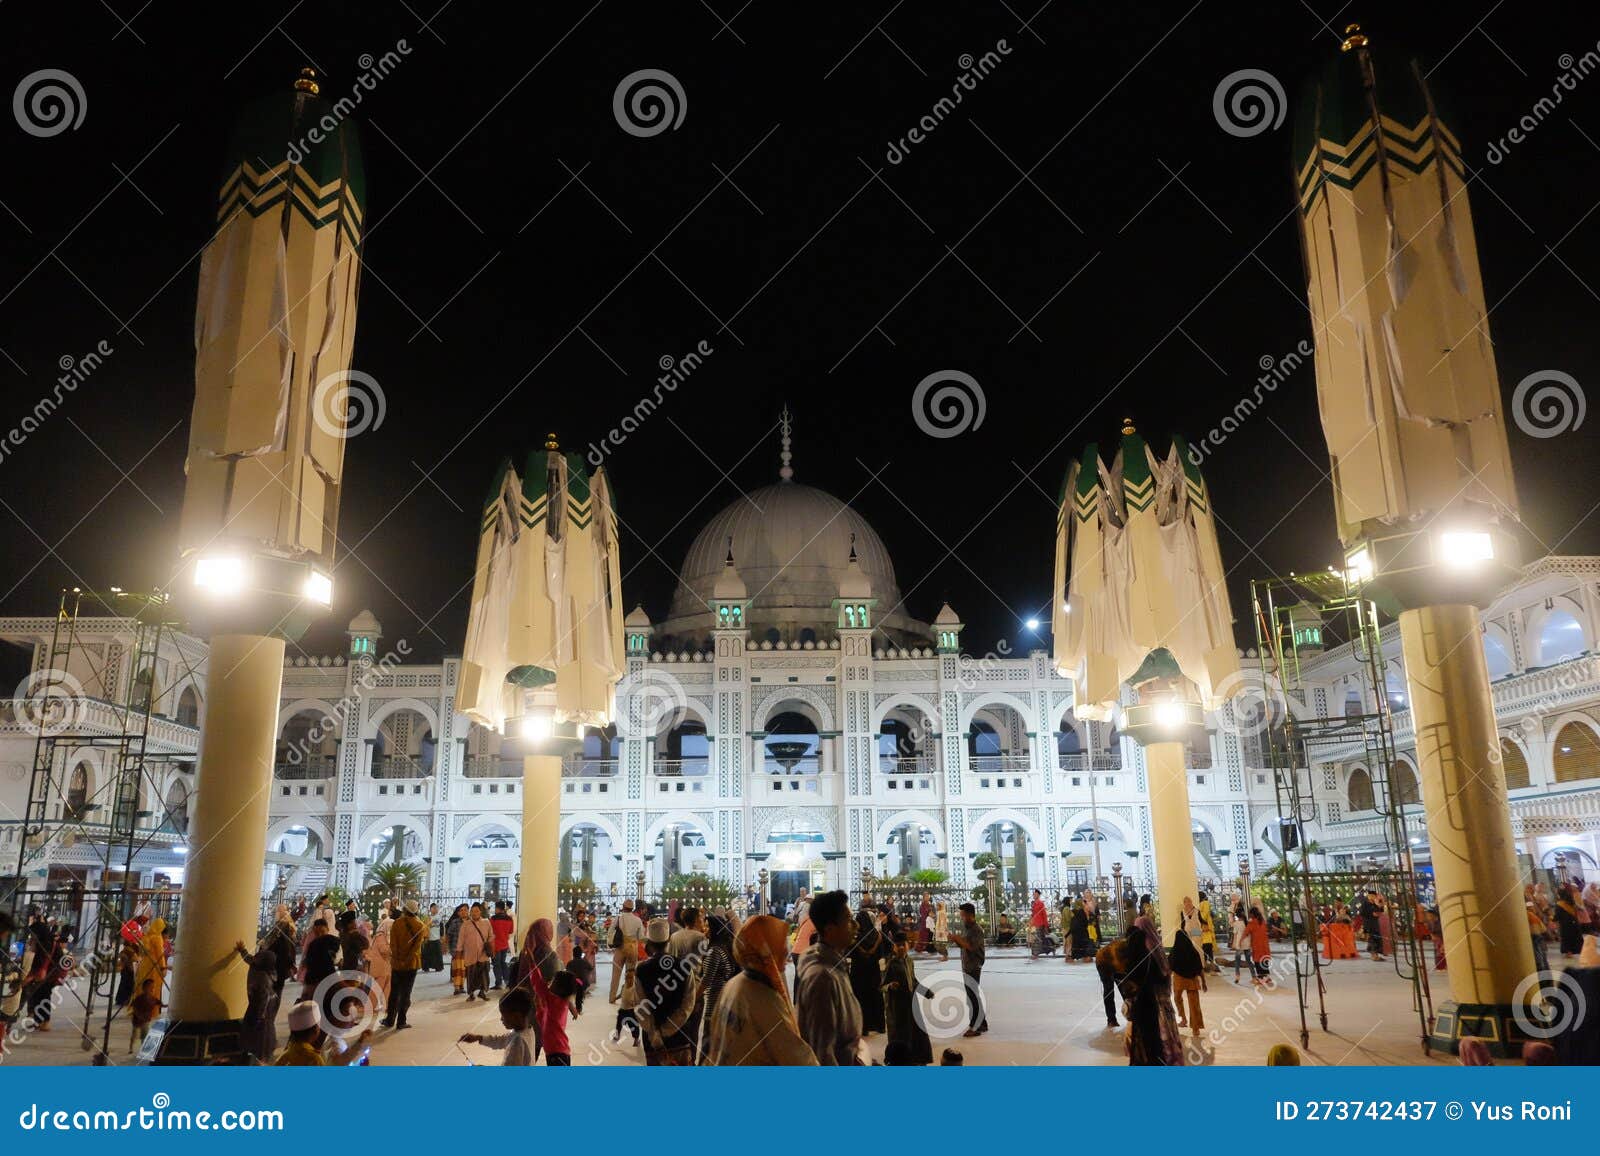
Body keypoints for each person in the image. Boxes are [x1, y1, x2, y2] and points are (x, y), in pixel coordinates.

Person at [704, 914, 817, 1066]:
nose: (785, 953)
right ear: (768, 952)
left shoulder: (733, 985)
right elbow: (797, 1057)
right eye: (780, 946)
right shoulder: (764, 999)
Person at [795, 890, 864, 1064]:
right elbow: (822, 1050)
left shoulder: (835, 965)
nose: (856, 926)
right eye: (848, 920)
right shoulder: (822, 978)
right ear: (830, 929)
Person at [635, 918, 701, 1065]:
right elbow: (688, 1004)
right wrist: (667, 1030)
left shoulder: (641, 969)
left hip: (652, 1040)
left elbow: (640, 1006)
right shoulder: (684, 967)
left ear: (649, 944)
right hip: (679, 1035)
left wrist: (655, 1034)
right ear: (669, 941)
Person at [1121, 917, 1183, 1066]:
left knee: (1155, 1047)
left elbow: (1136, 984)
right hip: (1165, 1004)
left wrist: (1130, 1016)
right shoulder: (1158, 947)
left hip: (1152, 1005)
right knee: (1168, 1044)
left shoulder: (1144, 950)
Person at [881, 931, 933, 1064]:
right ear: (894, 947)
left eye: (903, 945)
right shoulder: (890, 963)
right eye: (897, 945)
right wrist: (890, 986)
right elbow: (881, 986)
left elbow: (913, 981)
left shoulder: (910, 961)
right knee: (901, 1034)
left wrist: (926, 992)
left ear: (908, 945)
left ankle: (917, 1059)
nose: (901, 948)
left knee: (916, 1032)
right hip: (898, 1006)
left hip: (911, 1002)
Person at [695, 914, 736, 1062]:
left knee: (707, 1048)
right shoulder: (723, 948)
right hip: (722, 1002)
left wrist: (693, 999)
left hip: (714, 1004)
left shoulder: (713, 952)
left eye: (707, 926)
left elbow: (707, 980)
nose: (704, 929)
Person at [460, 988, 537, 1065]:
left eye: (503, 1015)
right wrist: (478, 1038)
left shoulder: (517, 1042)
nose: (501, 1019)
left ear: (516, 1016)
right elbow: (502, 1040)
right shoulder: (528, 1030)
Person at [232, 940, 280, 1062]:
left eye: (258, 957)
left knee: (261, 1031)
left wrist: (259, 1016)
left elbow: (263, 1000)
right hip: (260, 1002)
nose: (255, 958)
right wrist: (242, 950)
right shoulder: (257, 966)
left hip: (262, 1006)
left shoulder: (262, 977)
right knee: (260, 1029)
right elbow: (248, 958)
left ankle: (261, 1056)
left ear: (263, 962)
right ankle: (259, 1052)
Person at [383, 899, 425, 1030]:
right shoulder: (420, 926)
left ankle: (389, 1020)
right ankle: (401, 1021)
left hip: (396, 963)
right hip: (411, 964)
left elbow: (393, 944)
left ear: (405, 910)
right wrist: (406, 960)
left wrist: (398, 958)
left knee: (394, 992)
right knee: (406, 993)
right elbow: (416, 949)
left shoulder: (397, 923)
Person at [949, 902, 989, 1037]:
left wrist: (956, 938)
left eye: (963, 916)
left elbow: (970, 946)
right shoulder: (968, 928)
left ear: (971, 916)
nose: (962, 918)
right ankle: (982, 1024)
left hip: (973, 966)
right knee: (973, 996)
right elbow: (963, 945)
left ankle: (975, 1027)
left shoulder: (976, 929)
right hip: (967, 966)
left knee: (972, 997)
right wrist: (955, 939)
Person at [850, 896, 886, 1035]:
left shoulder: (855, 937)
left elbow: (850, 954)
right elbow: (881, 954)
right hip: (873, 972)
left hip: (859, 973)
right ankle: (879, 1026)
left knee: (861, 999)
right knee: (876, 997)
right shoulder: (877, 935)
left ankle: (863, 1028)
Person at [1168, 929, 1205, 1037]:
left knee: (1177, 999)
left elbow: (1170, 967)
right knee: (1194, 1004)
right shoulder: (1193, 951)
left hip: (1179, 979)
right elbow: (1199, 968)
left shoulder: (1174, 951)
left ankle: (1183, 1019)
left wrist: (1167, 983)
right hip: (1192, 979)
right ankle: (1195, 1029)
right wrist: (1203, 981)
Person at [456, 903, 495, 1000]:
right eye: (472, 911)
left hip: (483, 954)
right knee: (471, 975)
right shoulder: (465, 924)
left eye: (476, 911)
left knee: (484, 975)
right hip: (470, 955)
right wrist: (459, 951)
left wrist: (489, 945)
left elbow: (491, 935)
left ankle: (482, 992)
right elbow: (461, 939)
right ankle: (471, 994)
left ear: (480, 911)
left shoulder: (486, 922)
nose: (474, 913)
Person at [609, 899, 643, 1003]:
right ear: (632, 909)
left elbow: (610, 931)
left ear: (623, 907)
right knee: (630, 974)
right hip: (632, 948)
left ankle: (612, 998)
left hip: (620, 948)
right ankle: (628, 999)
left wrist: (611, 943)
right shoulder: (638, 920)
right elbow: (641, 937)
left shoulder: (619, 918)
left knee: (616, 974)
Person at [301, 918, 340, 999]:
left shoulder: (331, 940)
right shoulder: (313, 944)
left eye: (322, 931)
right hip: (315, 981)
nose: (320, 935)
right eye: (317, 933)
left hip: (326, 980)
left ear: (328, 929)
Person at [128, 978, 161, 1054]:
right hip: (137, 1020)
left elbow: (158, 1002)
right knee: (134, 1035)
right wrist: (137, 1015)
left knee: (144, 1035)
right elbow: (134, 1007)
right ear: (144, 989)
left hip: (146, 1020)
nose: (152, 989)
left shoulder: (152, 998)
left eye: (153, 987)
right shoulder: (139, 998)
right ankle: (131, 1047)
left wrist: (164, 1005)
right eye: (150, 987)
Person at [367, 916, 393, 1008]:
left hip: (385, 965)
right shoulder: (380, 935)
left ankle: (387, 1005)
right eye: (391, 926)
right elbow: (384, 950)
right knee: (377, 987)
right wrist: (393, 948)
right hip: (379, 966)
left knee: (387, 986)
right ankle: (371, 1005)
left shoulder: (384, 935)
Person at [489, 900, 516, 989]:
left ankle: (498, 983)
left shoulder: (493, 919)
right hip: (505, 944)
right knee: (503, 963)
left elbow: (489, 932)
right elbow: (511, 931)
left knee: (496, 964)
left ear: (497, 908)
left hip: (495, 945)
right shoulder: (509, 919)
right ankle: (508, 981)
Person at [446, 904, 468, 994]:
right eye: (461, 910)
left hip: (467, 950)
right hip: (456, 949)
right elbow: (449, 935)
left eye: (465, 910)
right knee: (457, 969)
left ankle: (462, 986)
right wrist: (449, 948)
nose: (463, 912)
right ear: (458, 913)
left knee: (464, 969)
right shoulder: (455, 922)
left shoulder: (470, 922)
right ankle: (456, 987)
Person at [1247, 906, 1272, 985]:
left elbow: (1248, 932)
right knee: (1264, 960)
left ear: (1252, 914)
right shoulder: (1263, 921)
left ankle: (1261, 978)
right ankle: (1266, 977)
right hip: (1264, 945)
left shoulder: (1253, 922)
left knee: (1258, 961)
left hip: (1257, 945)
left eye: (1250, 913)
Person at [1358, 891, 1386, 961]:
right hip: (1369, 924)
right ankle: (1374, 955)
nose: (1372, 897)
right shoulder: (1365, 903)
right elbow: (1362, 913)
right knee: (1373, 939)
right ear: (1368, 896)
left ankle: (1375, 954)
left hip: (1375, 923)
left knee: (1377, 939)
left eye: (1373, 896)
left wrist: (1380, 904)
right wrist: (1371, 913)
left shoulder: (1375, 903)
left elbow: (1381, 911)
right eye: (1370, 896)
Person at [1198, 890, 1219, 973]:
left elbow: (1204, 915)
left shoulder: (1202, 905)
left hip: (1203, 933)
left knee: (1206, 950)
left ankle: (1207, 967)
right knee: (1208, 950)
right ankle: (1209, 967)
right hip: (1205, 933)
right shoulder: (1204, 904)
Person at [422, 903, 445, 972]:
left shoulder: (439, 917)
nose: (435, 909)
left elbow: (441, 928)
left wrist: (442, 937)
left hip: (437, 938)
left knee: (437, 955)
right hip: (428, 938)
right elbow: (424, 927)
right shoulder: (427, 918)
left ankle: (438, 967)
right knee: (426, 954)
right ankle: (426, 967)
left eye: (436, 908)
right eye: (434, 908)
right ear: (430, 909)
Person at [1230, 907, 1250, 984]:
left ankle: (1237, 977)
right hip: (1247, 944)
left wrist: (1234, 944)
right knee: (1249, 962)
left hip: (1239, 944)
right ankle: (1254, 976)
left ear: (1237, 915)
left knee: (1237, 962)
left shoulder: (1236, 923)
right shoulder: (1247, 922)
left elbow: (1235, 935)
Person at [1029, 889, 1050, 959]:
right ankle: (1034, 953)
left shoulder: (1041, 903)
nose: (1034, 895)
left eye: (1035, 894)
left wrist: (1046, 925)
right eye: (1033, 894)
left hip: (1039, 923)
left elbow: (1044, 914)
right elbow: (1032, 914)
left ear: (1038, 895)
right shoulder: (1033, 903)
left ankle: (1035, 954)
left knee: (1037, 939)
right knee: (1034, 939)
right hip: (1033, 924)